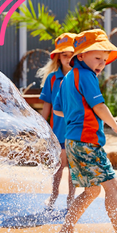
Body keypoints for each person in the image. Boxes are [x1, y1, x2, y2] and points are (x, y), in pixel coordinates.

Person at [52, 29, 117, 233]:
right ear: (81, 55)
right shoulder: (86, 76)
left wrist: (75, 112)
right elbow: (99, 106)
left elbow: (58, 110)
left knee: (92, 190)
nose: (101, 64)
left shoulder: (68, 78)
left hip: (73, 141)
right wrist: (115, 125)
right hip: (86, 140)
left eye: (104, 60)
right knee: (112, 186)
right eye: (97, 58)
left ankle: (66, 230)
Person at [38, 32, 77, 209]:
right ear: (58, 57)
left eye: (71, 54)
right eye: (64, 55)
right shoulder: (52, 79)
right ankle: (53, 196)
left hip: (76, 130)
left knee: (74, 168)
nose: (68, 58)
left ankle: (71, 198)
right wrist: (41, 128)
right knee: (59, 167)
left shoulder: (82, 77)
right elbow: (47, 106)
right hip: (58, 132)